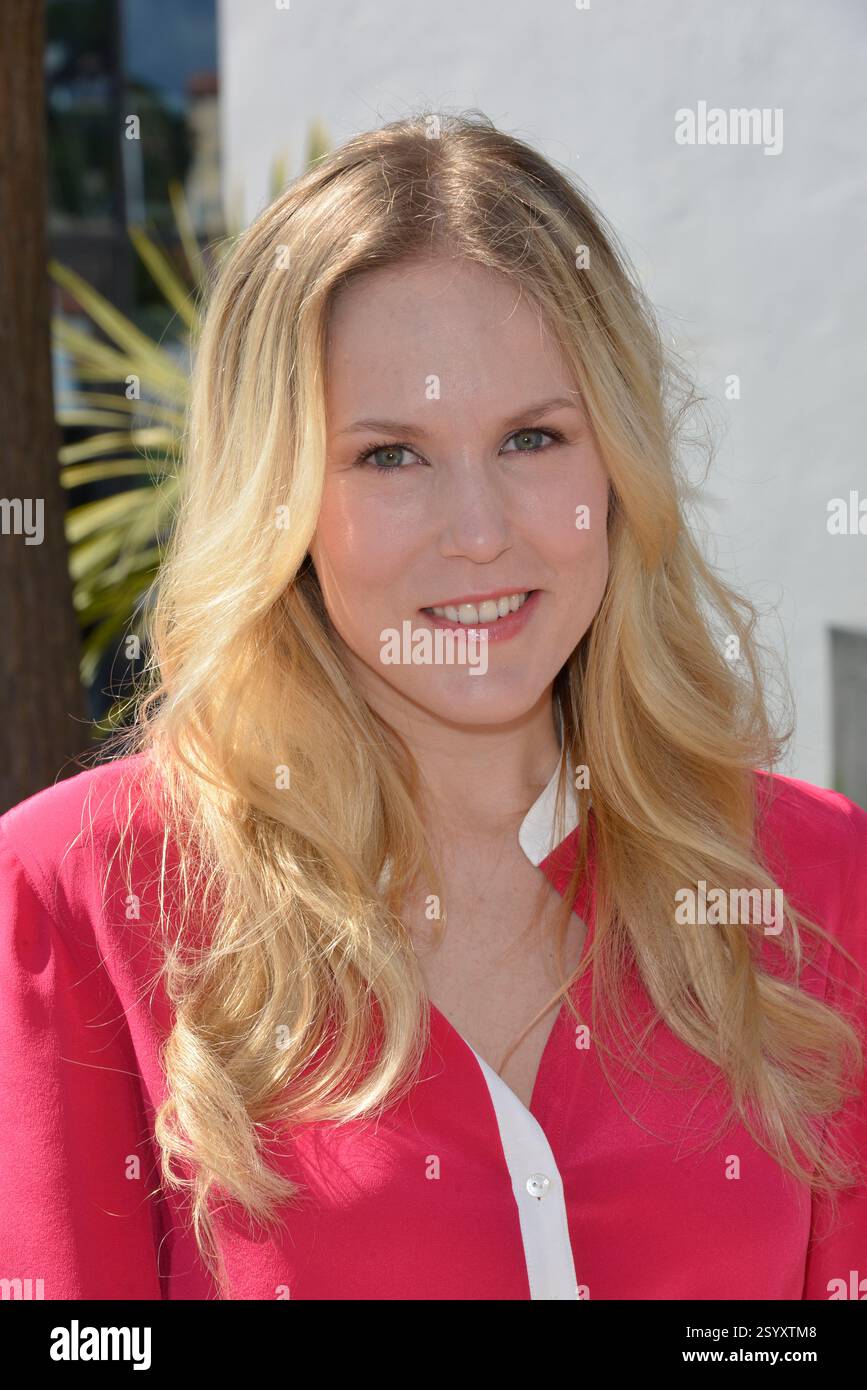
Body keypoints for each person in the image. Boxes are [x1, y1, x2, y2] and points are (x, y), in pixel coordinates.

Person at [1, 111, 865, 1302]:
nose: (479, 531)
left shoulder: (813, 883)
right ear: (283, 495)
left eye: (532, 437)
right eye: (389, 455)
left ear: (615, 466)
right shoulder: (80, 897)